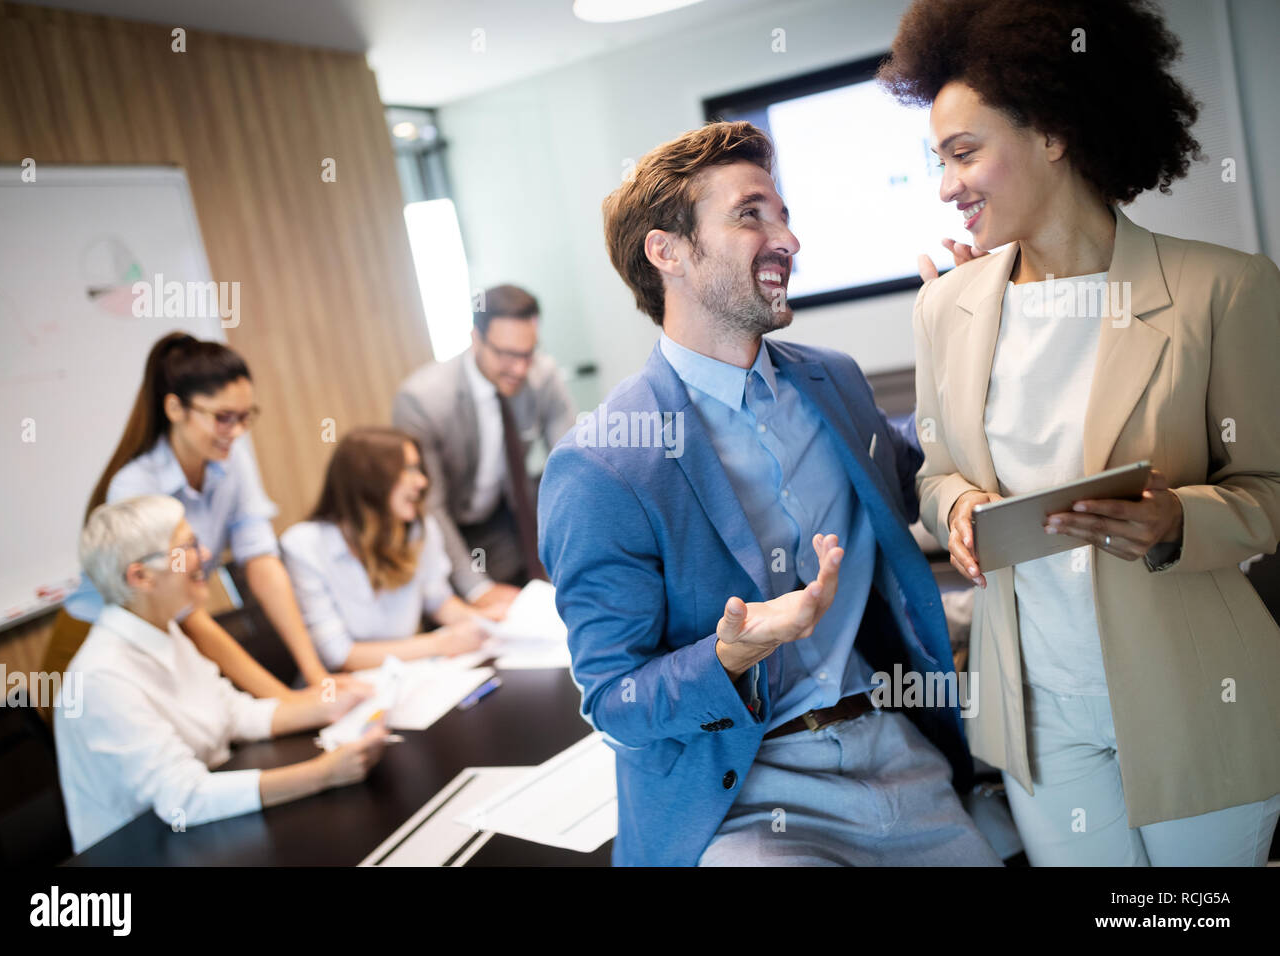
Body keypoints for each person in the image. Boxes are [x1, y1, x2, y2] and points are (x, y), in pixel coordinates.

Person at [880, 0, 1280, 865]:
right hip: (1038, 712)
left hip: (1192, 696)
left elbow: (1268, 489)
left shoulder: (1226, 290)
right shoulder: (946, 308)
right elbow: (938, 471)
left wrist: (1178, 519)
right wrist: (955, 510)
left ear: (1054, 132)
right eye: (938, 160)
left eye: (963, 151)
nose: (947, 185)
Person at [538, 121, 1000, 867]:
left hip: (897, 752)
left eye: (782, 214)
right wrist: (727, 655)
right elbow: (616, 704)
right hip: (745, 797)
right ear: (669, 252)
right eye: (751, 214)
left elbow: (926, 464)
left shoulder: (833, 380)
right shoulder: (600, 465)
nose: (786, 237)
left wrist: (977, 336)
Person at [55, 496, 387, 853]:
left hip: (200, 835)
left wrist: (325, 705)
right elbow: (184, 798)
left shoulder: (164, 630)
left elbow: (230, 713)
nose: (207, 553)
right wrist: (323, 774)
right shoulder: (99, 680)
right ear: (140, 576)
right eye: (188, 547)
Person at [66, 332, 363, 698]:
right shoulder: (134, 486)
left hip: (169, 625)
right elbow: (187, 614)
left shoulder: (230, 457)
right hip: (103, 639)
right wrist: (287, 701)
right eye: (223, 418)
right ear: (175, 409)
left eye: (245, 417)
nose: (236, 432)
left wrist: (316, 674)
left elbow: (261, 561)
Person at [392, 285, 576, 614]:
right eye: (506, 354)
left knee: (535, 612)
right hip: (444, 529)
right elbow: (429, 506)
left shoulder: (543, 377)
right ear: (476, 339)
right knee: (477, 624)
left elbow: (572, 468)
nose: (519, 368)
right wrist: (477, 588)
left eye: (527, 353)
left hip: (507, 520)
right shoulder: (423, 401)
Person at [280, 427, 490, 671]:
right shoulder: (304, 545)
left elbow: (438, 601)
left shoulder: (420, 529)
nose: (422, 481)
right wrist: (441, 643)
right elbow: (338, 655)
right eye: (409, 469)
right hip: (351, 692)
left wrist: (488, 620)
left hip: (413, 674)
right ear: (368, 478)